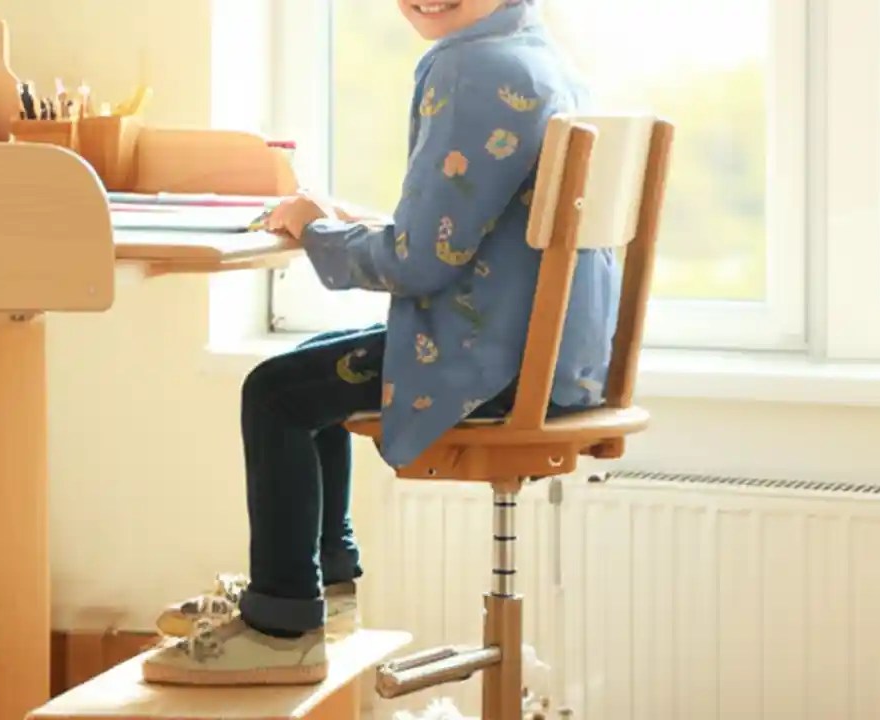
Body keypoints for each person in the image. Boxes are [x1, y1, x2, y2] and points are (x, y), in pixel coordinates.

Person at [142, 0, 616, 687]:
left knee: (276, 393)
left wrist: (311, 229)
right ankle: (321, 592)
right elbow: (463, 233)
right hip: (551, 361)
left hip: (491, 365)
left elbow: (418, 263)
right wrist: (336, 219)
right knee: (315, 369)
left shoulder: (469, 67)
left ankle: (283, 626)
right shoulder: (540, 57)